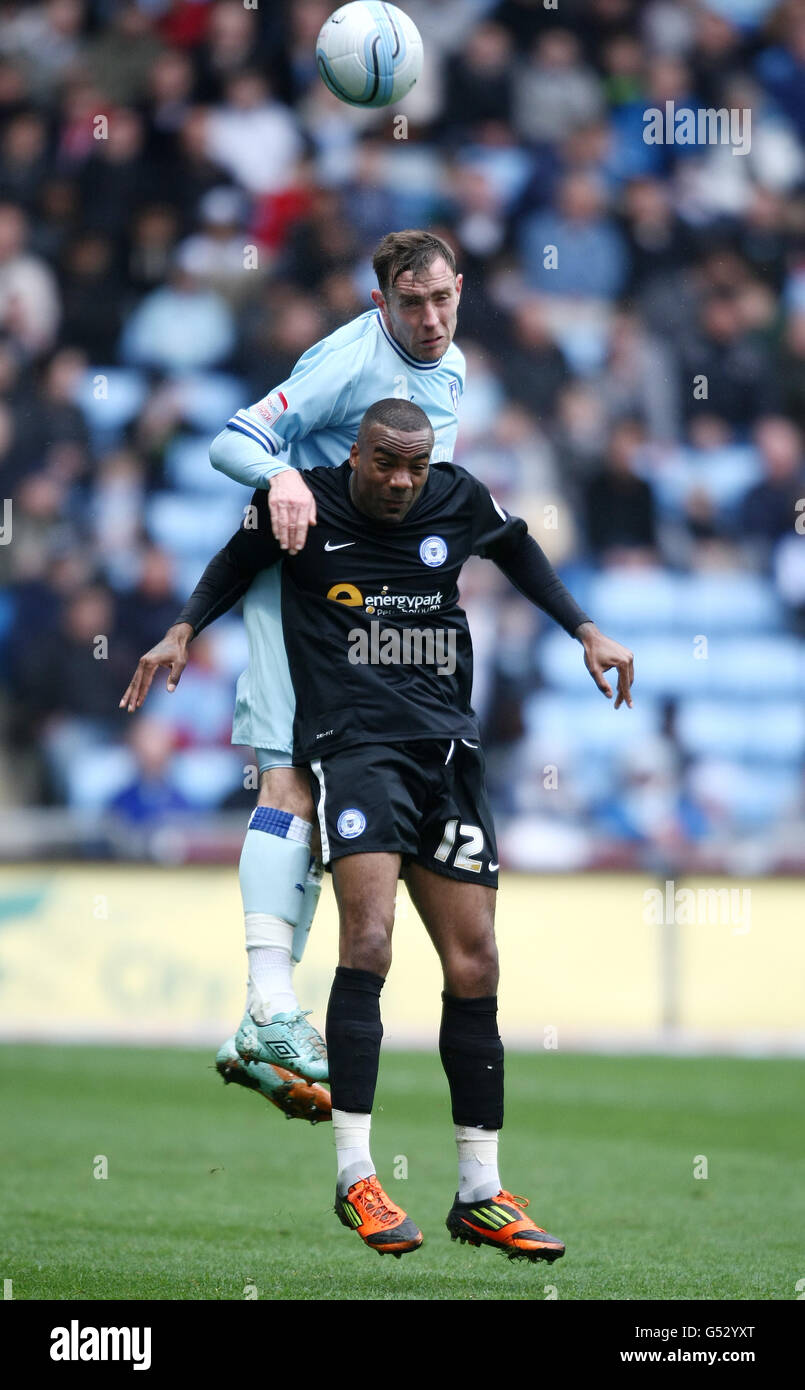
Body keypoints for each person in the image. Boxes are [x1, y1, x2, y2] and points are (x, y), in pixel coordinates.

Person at [123, 398, 635, 1260]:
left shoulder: (459, 496)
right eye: (386, 464)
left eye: (415, 467)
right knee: (370, 942)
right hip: (355, 747)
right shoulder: (299, 507)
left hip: (448, 752)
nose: (402, 482)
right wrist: (180, 630)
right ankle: (354, 1174)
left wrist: (584, 629)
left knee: (476, 962)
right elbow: (228, 564)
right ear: (354, 454)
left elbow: (517, 552)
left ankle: (479, 1190)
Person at [124, 229, 469, 1102]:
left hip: (367, 606)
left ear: (458, 290)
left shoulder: (452, 366)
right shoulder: (348, 362)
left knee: (331, 798)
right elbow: (231, 441)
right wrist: (281, 476)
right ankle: (270, 1003)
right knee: (289, 784)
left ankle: (264, 1018)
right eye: (409, 304)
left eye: (440, 300)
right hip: (296, 595)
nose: (428, 320)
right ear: (378, 302)